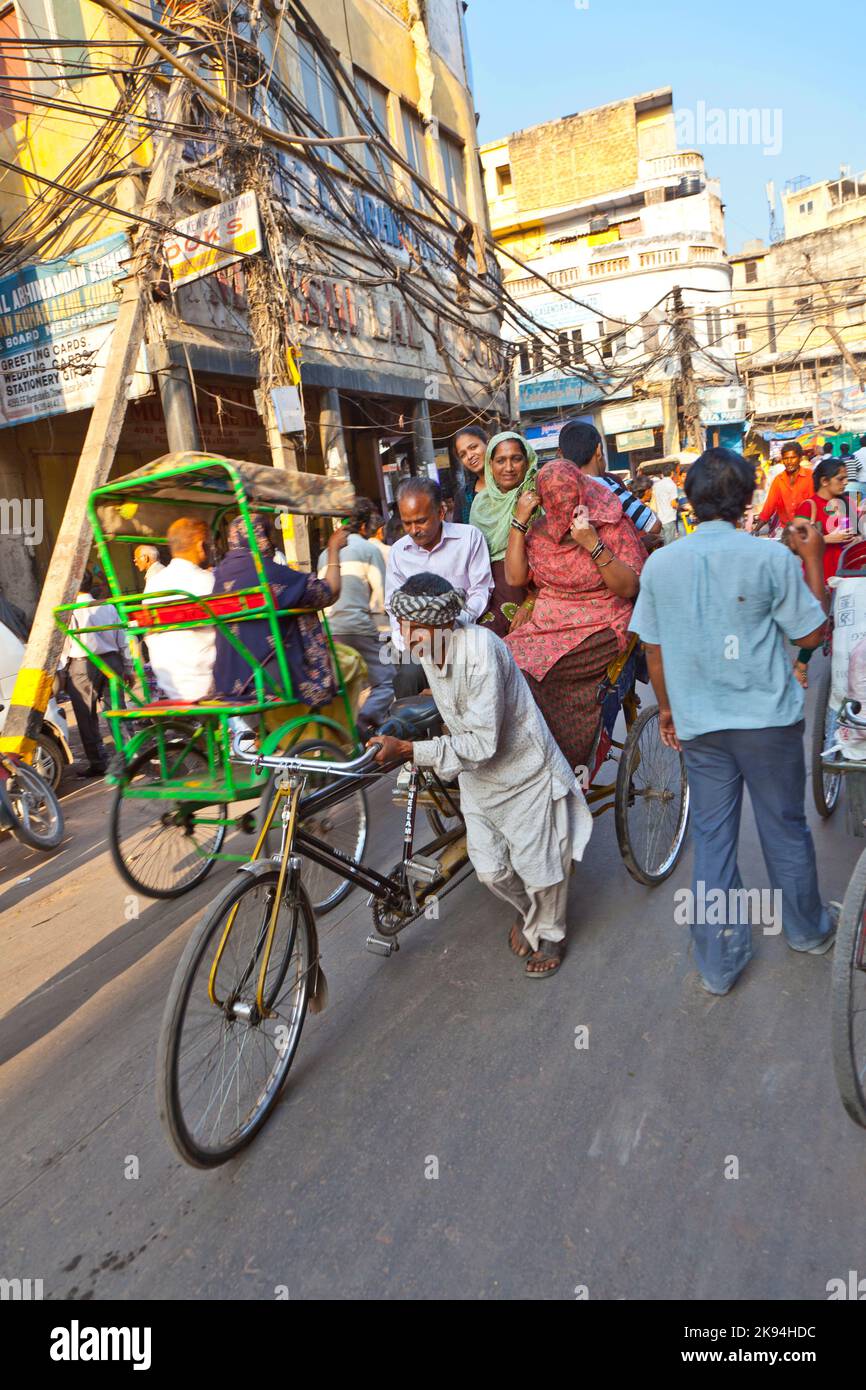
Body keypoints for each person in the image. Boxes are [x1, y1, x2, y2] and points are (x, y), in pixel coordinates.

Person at [629, 447, 836, 996]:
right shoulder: (768, 559)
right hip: (767, 721)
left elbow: (653, 650)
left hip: (701, 724)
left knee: (713, 840)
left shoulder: (660, 564)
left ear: (690, 502)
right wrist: (812, 558)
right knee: (784, 828)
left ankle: (718, 964)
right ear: (747, 500)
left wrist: (669, 711)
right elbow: (812, 634)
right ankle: (807, 930)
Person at [369, 573, 593, 978]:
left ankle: (551, 933)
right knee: (491, 872)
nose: (405, 636)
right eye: (402, 626)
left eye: (412, 628)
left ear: (440, 625)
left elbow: (484, 744)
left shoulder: (480, 651)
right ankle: (532, 917)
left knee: (541, 871)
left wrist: (409, 751)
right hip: (480, 781)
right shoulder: (428, 651)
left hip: (523, 773)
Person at [504, 458, 644, 773]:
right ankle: (521, 757)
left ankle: (562, 762)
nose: (563, 517)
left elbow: (628, 586)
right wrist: (519, 521)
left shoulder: (611, 525)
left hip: (602, 622)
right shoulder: (538, 534)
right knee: (502, 659)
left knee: (539, 671)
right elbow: (515, 578)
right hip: (547, 622)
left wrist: (593, 544)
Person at [212, 513, 347, 706]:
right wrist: (333, 549)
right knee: (349, 664)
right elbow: (329, 592)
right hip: (269, 677)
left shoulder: (220, 575)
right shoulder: (268, 572)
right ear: (264, 537)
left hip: (226, 680)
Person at [386, 476, 493, 694]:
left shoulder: (469, 538)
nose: (414, 530)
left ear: (441, 512)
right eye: (407, 523)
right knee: (406, 679)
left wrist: (454, 624)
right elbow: (392, 604)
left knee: (478, 676)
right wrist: (405, 642)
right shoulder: (398, 552)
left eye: (421, 521)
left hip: (463, 633)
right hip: (419, 642)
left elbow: (480, 589)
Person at [316, 500, 394, 734]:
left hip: (329, 629)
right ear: (364, 525)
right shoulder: (369, 549)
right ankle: (362, 722)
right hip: (358, 626)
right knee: (386, 679)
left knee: (344, 683)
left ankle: (344, 729)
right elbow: (381, 596)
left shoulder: (324, 554)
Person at [790, 454, 854, 686]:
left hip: (848, 574)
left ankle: (845, 675)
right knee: (819, 627)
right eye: (840, 478)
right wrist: (828, 538)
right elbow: (795, 540)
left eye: (846, 479)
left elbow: (854, 534)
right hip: (820, 575)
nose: (845, 483)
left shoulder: (848, 503)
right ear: (824, 481)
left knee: (848, 624)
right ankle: (802, 665)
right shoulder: (809, 506)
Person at [62, 568, 130, 777]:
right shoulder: (108, 606)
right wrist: (127, 666)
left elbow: (65, 646)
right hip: (111, 660)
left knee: (86, 717)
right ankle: (129, 757)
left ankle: (99, 762)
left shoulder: (69, 610)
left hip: (82, 665)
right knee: (117, 712)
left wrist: (63, 670)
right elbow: (123, 637)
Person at [469, 431, 537, 636]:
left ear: (527, 461)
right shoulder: (481, 504)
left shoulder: (539, 500)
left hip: (530, 590)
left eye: (516, 459)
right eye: (500, 460)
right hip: (487, 589)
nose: (508, 468)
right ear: (490, 465)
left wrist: (531, 601)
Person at [145, 517, 217, 702]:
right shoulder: (207, 581)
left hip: (169, 684)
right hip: (207, 684)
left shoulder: (153, 584)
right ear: (201, 546)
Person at [559, 421, 662, 545]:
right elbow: (654, 525)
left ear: (562, 455)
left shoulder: (562, 492)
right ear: (598, 451)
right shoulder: (604, 486)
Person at [754, 441, 814, 533]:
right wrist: (756, 530)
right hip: (787, 531)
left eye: (793, 458)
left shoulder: (810, 476)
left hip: (808, 529)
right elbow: (769, 507)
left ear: (800, 458)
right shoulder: (778, 480)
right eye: (786, 458)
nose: (789, 462)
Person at [451, 425, 488, 524]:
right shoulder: (463, 497)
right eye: (462, 455)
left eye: (473, 447)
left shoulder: (509, 482)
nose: (469, 456)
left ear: (487, 443)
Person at [650, 464, 679, 544]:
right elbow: (673, 504)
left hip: (659, 519)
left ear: (662, 474)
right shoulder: (672, 485)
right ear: (672, 473)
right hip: (669, 518)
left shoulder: (657, 485)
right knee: (670, 543)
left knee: (663, 543)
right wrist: (680, 506)